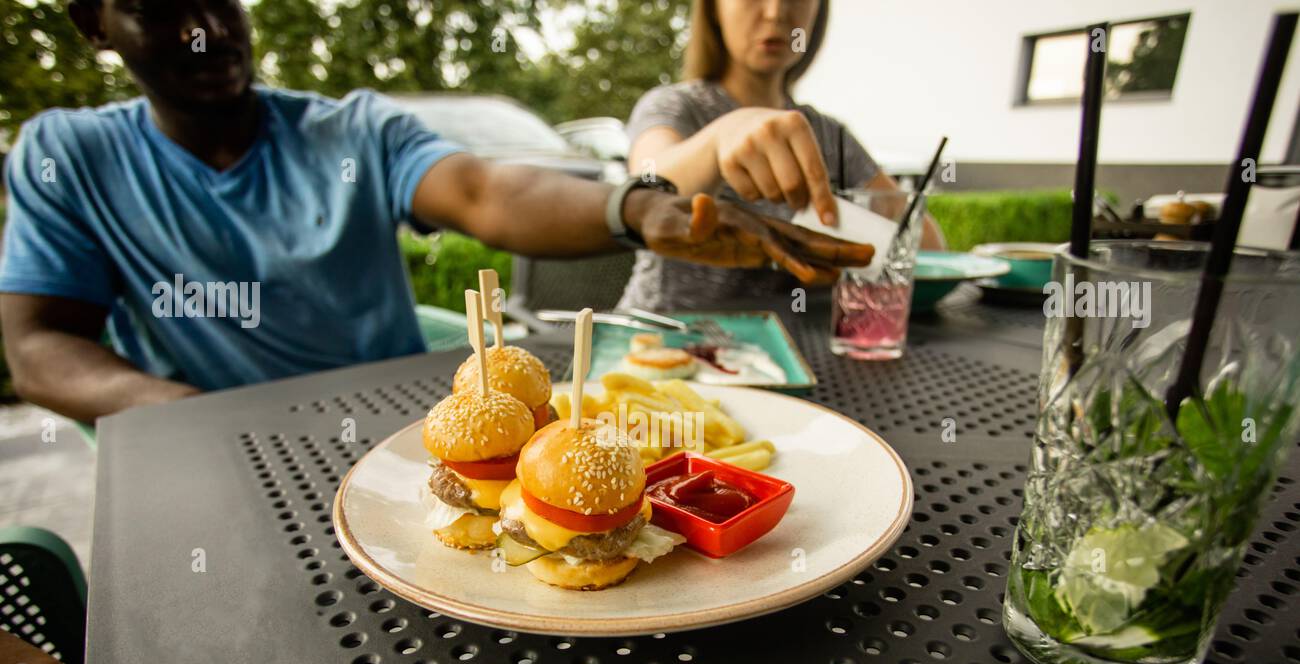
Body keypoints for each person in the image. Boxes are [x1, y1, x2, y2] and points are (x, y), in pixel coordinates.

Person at [0, 0, 872, 425]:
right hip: (200, 446)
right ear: (95, 24)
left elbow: (489, 193)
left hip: (382, 438)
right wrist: (188, 414)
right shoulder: (67, 156)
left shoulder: (355, 129)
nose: (205, 29)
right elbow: (39, 347)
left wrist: (639, 208)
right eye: (157, 5)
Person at [617, 0, 943, 312]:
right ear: (714, 9)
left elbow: (927, 247)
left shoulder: (828, 135)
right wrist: (718, 140)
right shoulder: (674, 107)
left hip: (790, 348)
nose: (775, 12)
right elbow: (646, 191)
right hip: (660, 340)